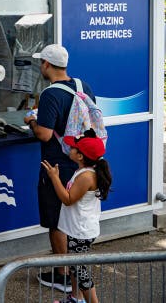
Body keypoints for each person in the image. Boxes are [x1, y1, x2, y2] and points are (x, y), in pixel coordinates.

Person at [24, 44, 95, 293]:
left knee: (56, 221)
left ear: (46, 64)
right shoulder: (82, 86)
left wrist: (32, 120)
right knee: (72, 218)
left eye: (40, 63)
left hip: (55, 165)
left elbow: (44, 134)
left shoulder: (50, 94)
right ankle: (72, 271)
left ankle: (62, 274)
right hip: (79, 163)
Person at [41, 130, 111, 303]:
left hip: (81, 232)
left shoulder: (87, 176)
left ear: (80, 156)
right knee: (74, 267)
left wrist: (54, 178)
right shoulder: (84, 170)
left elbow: (68, 199)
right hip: (77, 228)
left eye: (73, 147)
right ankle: (75, 298)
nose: (69, 148)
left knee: (80, 271)